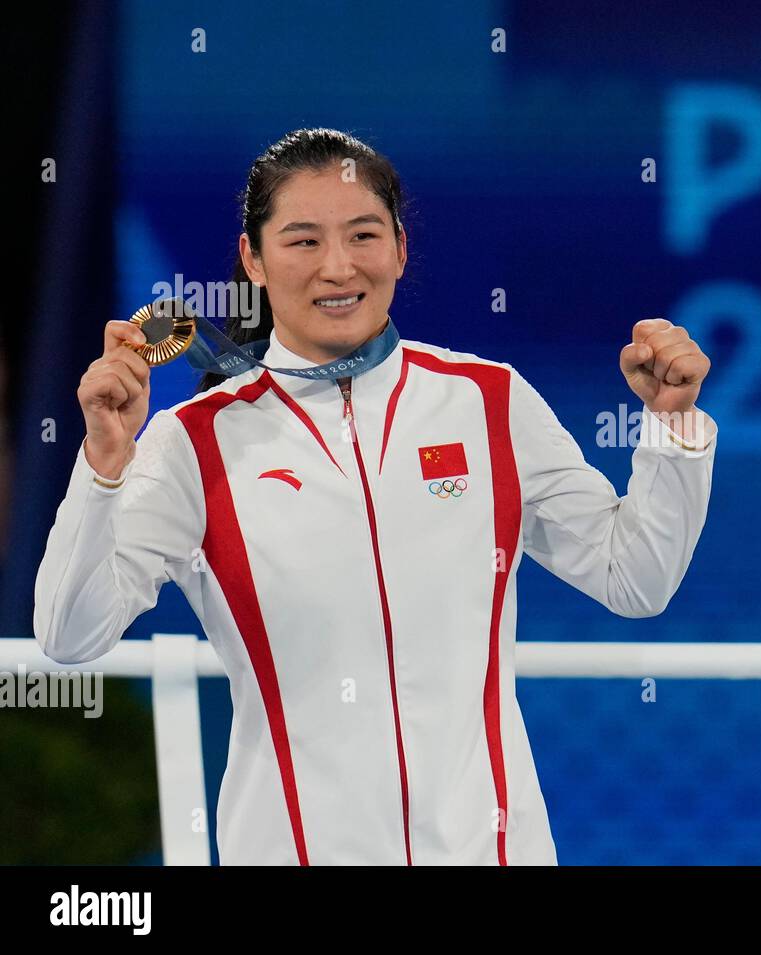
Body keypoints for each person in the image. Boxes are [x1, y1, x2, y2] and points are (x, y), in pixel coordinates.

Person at [32, 128, 717, 865]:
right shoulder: (194, 442)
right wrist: (104, 464)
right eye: (301, 241)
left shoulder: (489, 401)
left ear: (400, 248)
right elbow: (70, 635)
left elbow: (635, 577)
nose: (338, 266)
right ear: (252, 260)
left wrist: (671, 425)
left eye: (363, 234)